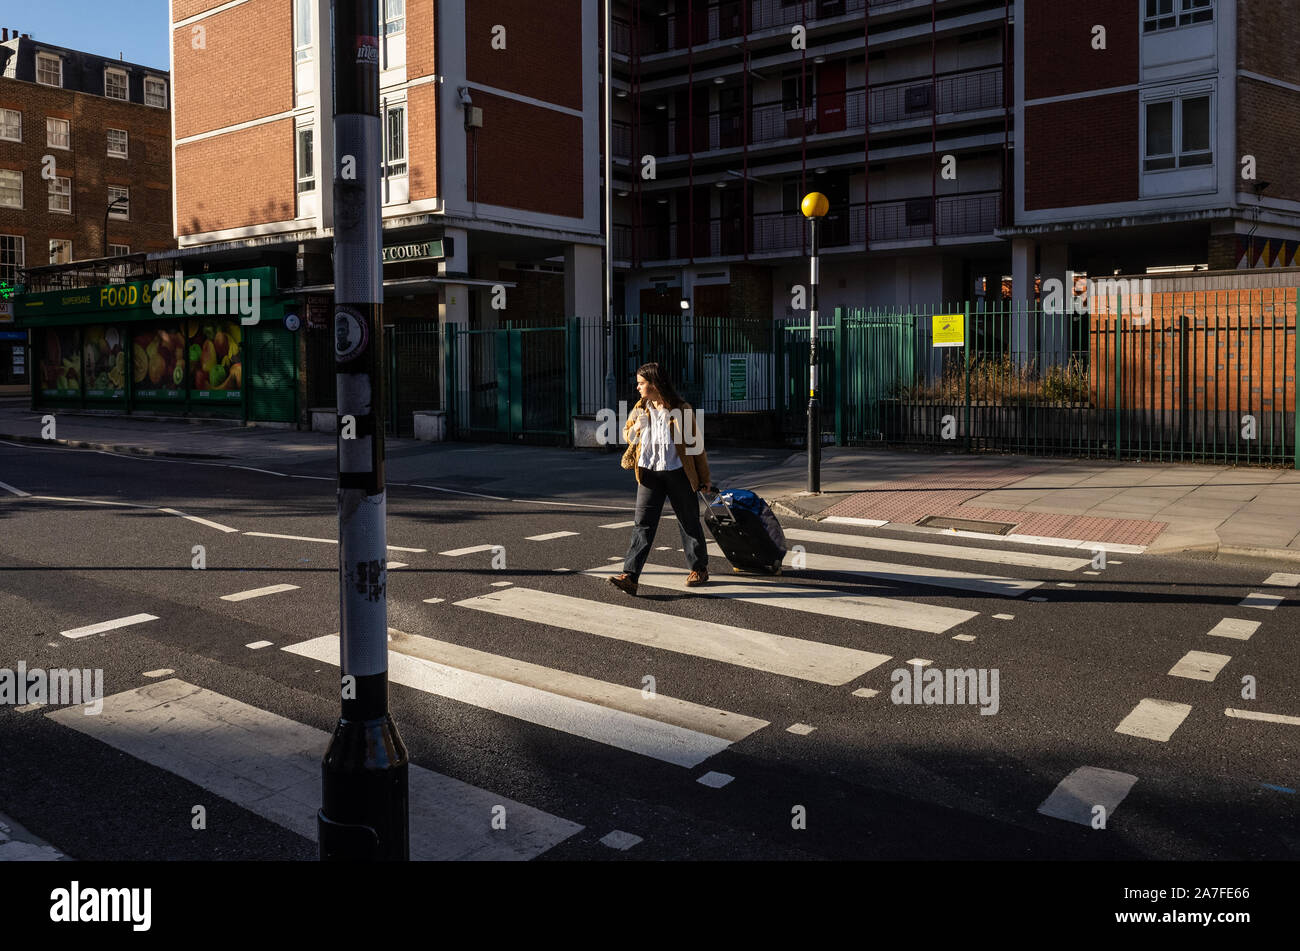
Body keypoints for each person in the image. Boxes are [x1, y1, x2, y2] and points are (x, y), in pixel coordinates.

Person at [608, 363, 715, 596]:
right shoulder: (640, 408)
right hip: (649, 473)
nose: (637, 387)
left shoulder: (680, 409)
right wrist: (635, 427)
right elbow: (626, 434)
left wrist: (704, 478)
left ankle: (699, 569)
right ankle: (630, 576)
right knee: (643, 524)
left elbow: (697, 447)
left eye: (641, 383)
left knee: (688, 521)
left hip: (678, 472)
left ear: (654, 384)